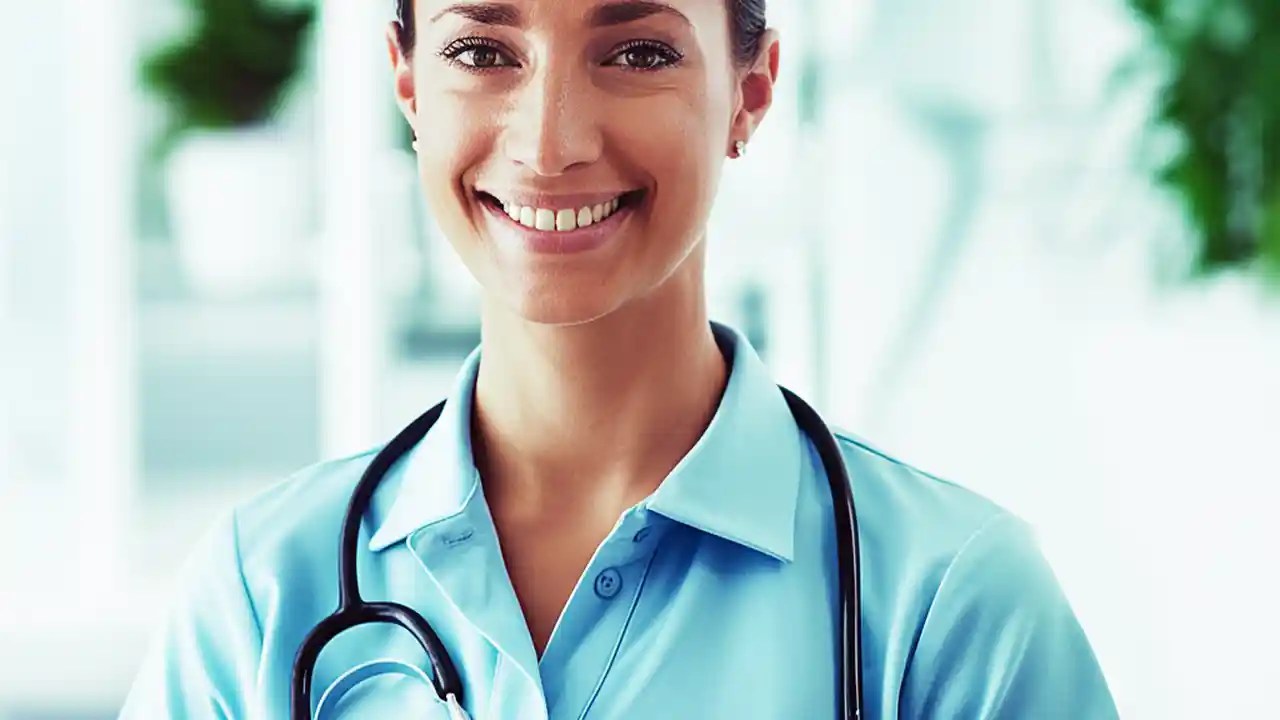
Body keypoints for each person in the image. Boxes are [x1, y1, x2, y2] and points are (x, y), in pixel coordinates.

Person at [120, 0, 1119, 717]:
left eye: (637, 52)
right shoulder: (261, 597)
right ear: (407, 82)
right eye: (481, 48)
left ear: (751, 91)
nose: (549, 144)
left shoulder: (947, 603)